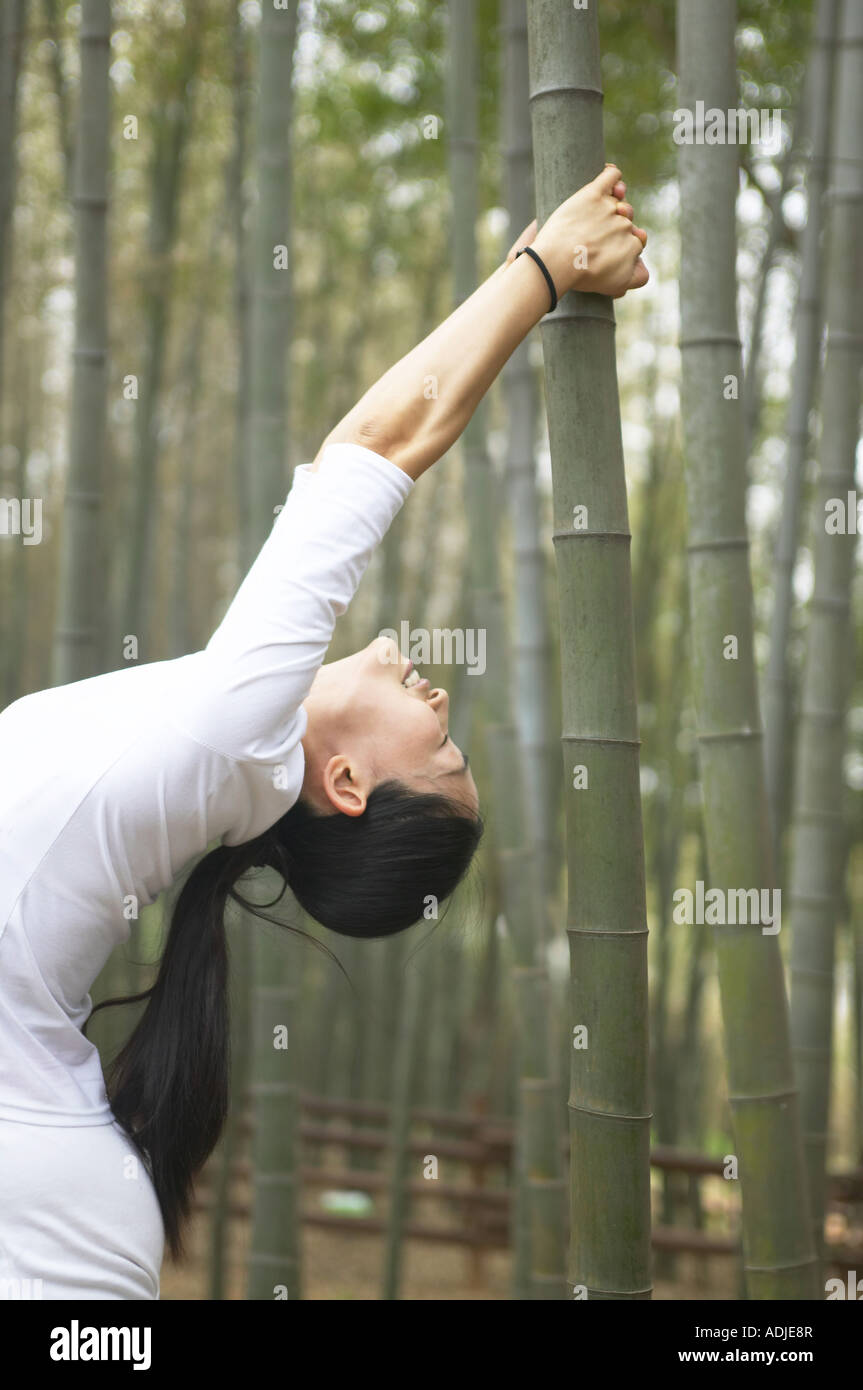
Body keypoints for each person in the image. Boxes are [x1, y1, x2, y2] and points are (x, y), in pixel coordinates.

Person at [0, 164, 647, 1299]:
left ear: (344, 783)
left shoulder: (230, 732)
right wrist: (530, 269)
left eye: (440, 752)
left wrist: (545, 273)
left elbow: (379, 442)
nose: (444, 706)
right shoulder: (221, 738)